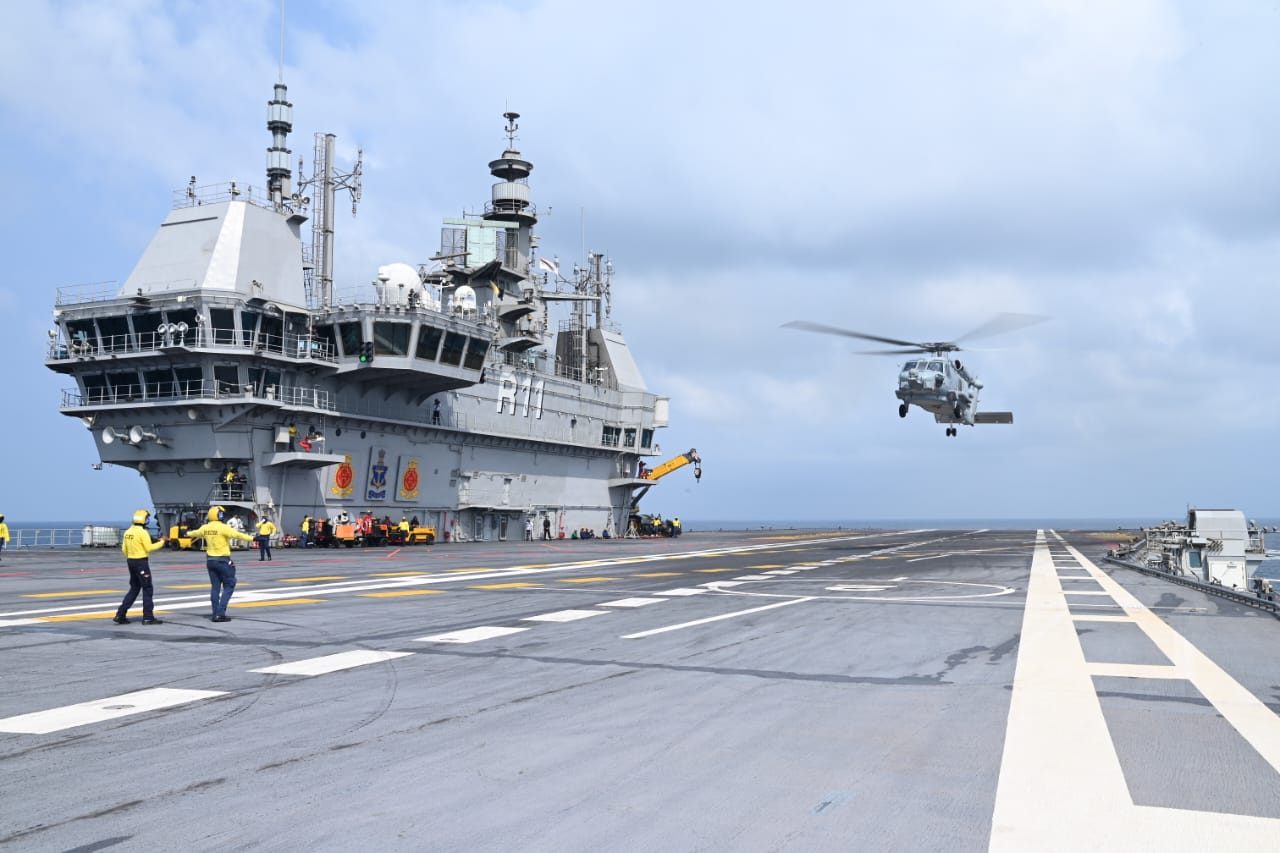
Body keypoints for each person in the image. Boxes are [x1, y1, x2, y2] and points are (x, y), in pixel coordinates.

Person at [185, 506, 254, 622]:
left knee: (215, 587)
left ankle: (215, 613)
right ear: (218, 515)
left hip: (210, 560)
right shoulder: (223, 527)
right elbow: (237, 535)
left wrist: (187, 533)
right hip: (222, 560)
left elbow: (194, 533)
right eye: (221, 514)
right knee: (230, 584)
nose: (222, 516)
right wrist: (253, 538)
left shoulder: (205, 528)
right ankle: (220, 613)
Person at [114, 509, 166, 625]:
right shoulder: (142, 532)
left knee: (134, 588)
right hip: (141, 562)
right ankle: (148, 617)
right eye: (147, 518)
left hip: (130, 561)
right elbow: (149, 548)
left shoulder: (128, 532)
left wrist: (132, 556)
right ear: (143, 520)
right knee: (147, 588)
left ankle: (120, 614)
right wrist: (162, 542)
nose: (148, 520)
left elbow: (124, 549)